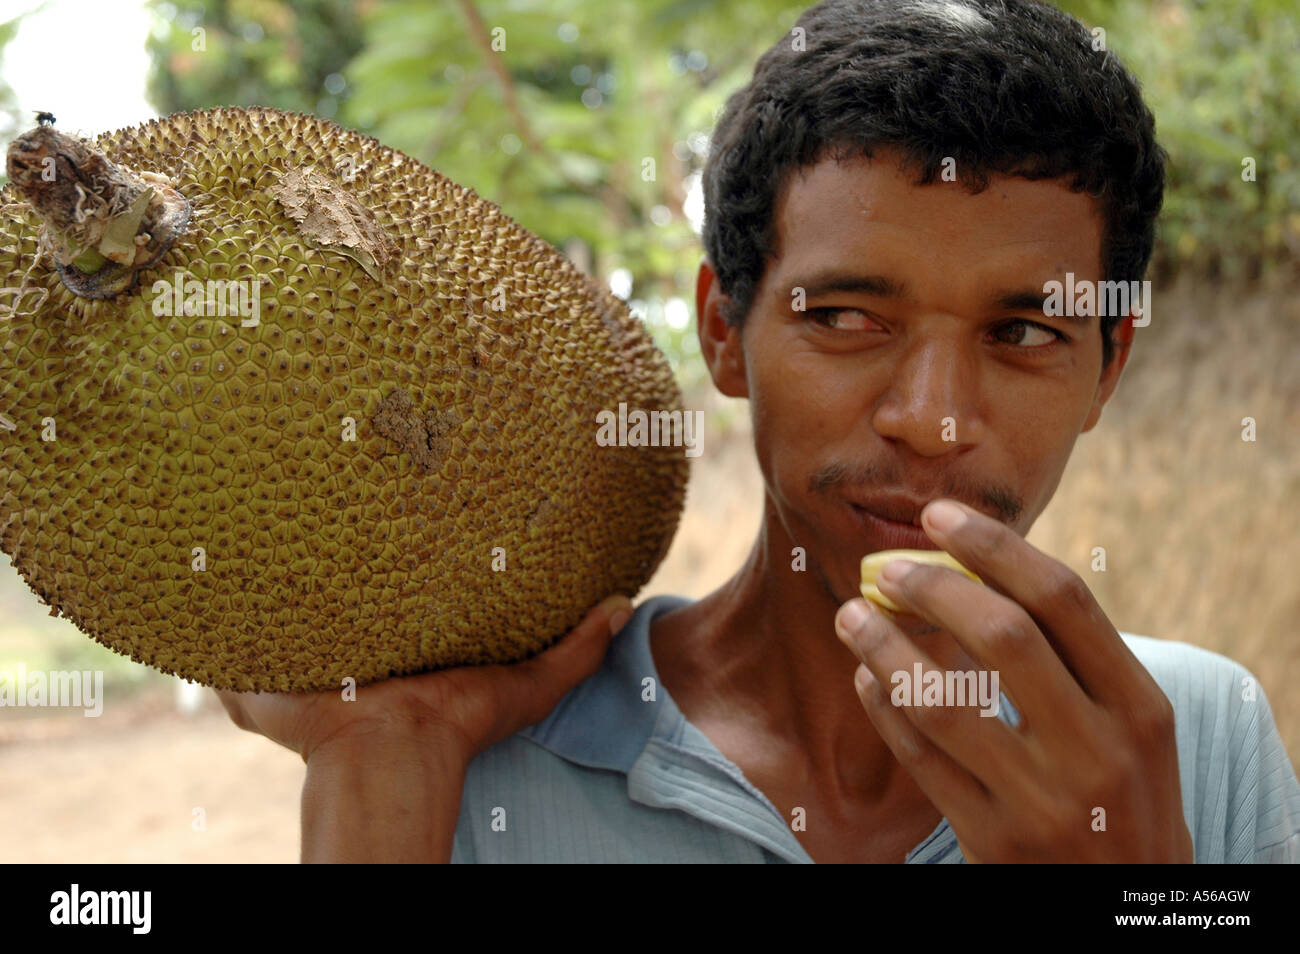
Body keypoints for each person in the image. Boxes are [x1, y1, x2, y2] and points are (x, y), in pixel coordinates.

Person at [219, 0, 1300, 863]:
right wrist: (377, 764)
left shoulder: (1197, 737)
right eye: (843, 318)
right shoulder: (469, 752)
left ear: (1105, 369)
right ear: (723, 331)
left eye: (1022, 331)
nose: (929, 418)